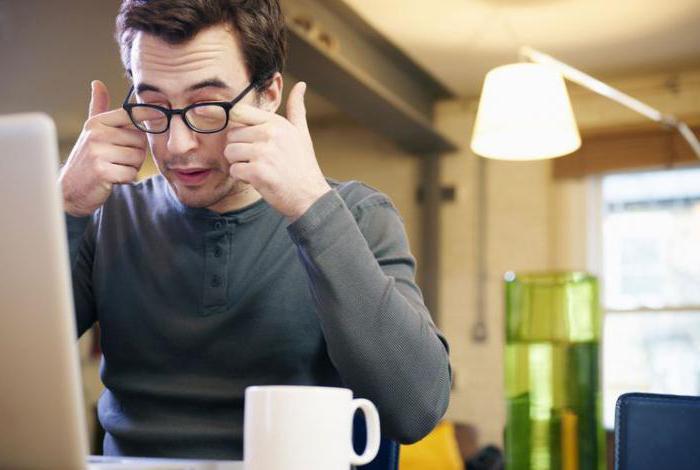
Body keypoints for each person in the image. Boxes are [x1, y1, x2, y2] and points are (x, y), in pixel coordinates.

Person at [59, 0, 451, 459]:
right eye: (154, 105)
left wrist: (310, 207)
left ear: (269, 95)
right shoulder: (106, 212)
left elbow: (417, 409)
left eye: (208, 107)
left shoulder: (359, 214)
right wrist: (62, 208)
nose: (177, 144)